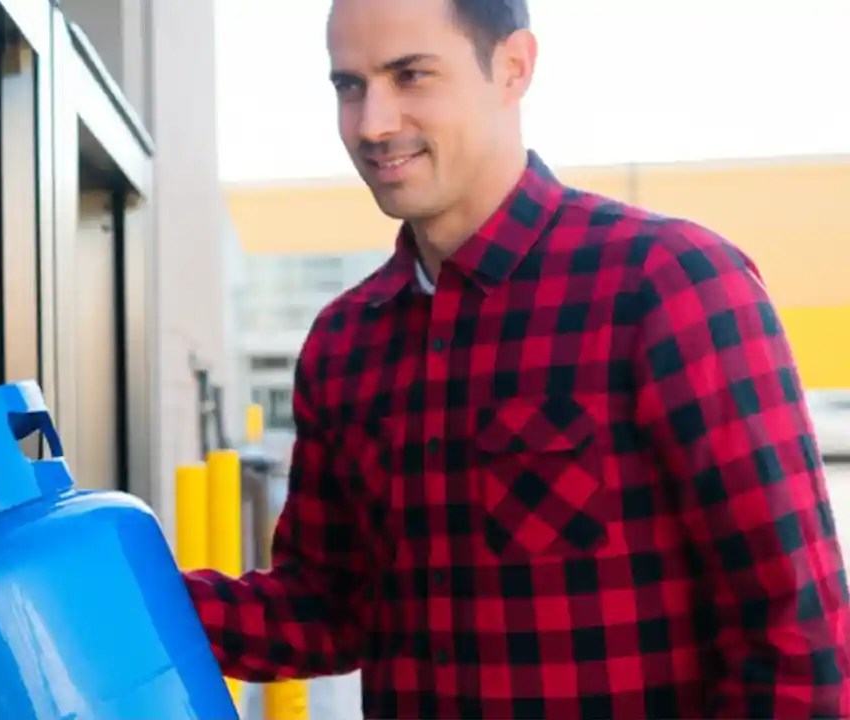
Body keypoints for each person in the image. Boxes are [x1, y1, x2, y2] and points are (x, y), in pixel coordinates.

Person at [183, 0, 850, 717]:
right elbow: (327, 606)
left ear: (513, 67)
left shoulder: (668, 284)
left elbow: (796, 632)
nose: (372, 123)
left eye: (410, 75)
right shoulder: (345, 344)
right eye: (349, 86)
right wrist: (102, 590)